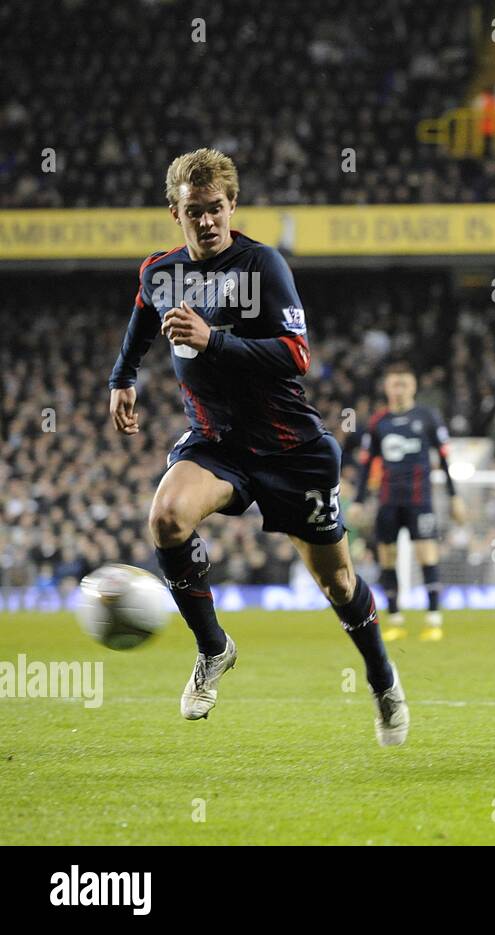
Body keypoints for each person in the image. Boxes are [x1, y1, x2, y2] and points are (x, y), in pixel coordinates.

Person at [108, 148, 409, 746]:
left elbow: (297, 355)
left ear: (232, 205)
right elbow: (144, 314)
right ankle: (214, 649)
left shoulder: (263, 265)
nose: (207, 221)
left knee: (339, 585)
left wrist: (212, 341)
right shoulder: (159, 273)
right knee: (166, 517)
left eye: (216, 208)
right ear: (176, 212)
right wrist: (123, 376)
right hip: (217, 444)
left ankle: (381, 679)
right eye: (194, 211)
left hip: (291, 448)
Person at [352, 360, 465, 642]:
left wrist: (454, 497)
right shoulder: (378, 422)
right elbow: (367, 465)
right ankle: (395, 619)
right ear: (387, 388)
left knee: (426, 554)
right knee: (387, 557)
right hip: (388, 500)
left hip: (420, 499)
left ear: (413, 386)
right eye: (394, 384)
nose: (399, 389)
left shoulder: (428, 417)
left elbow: (444, 458)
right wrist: (358, 500)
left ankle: (433, 618)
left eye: (404, 383)